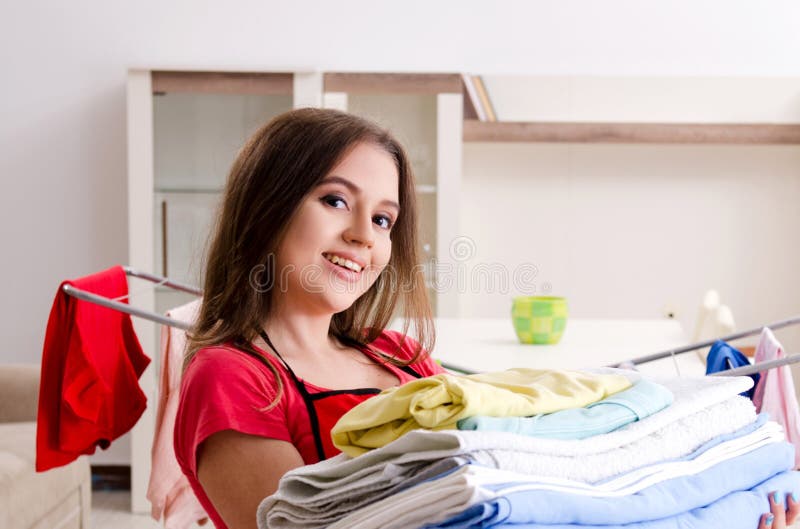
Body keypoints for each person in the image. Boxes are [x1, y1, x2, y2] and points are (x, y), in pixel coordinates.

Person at [173, 108, 799, 529]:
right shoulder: (232, 376)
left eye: (385, 219)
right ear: (269, 205)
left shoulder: (394, 352)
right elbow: (307, 521)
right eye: (336, 200)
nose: (364, 235)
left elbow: (493, 468)